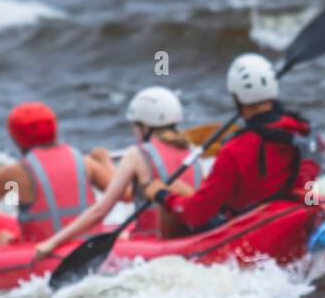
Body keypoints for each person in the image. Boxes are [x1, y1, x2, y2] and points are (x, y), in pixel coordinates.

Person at [141, 53, 322, 233]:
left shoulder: (235, 149)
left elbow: (195, 215)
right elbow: (307, 183)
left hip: (250, 228)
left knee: (169, 203)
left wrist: (162, 195)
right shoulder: (303, 129)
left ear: (236, 98)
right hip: (294, 209)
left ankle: (162, 250)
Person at [30, 87, 201, 261]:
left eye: (134, 126)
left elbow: (101, 210)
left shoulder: (137, 154)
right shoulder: (193, 152)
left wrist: (52, 242)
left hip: (151, 245)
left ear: (143, 127)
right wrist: (106, 163)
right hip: (190, 237)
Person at [0, 102, 114, 246]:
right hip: (88, 245)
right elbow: (126, 194)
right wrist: (105, 161)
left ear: (15, 137)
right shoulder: (85, 162)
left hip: (44, 249)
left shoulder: (13, 173)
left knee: (2, 237)